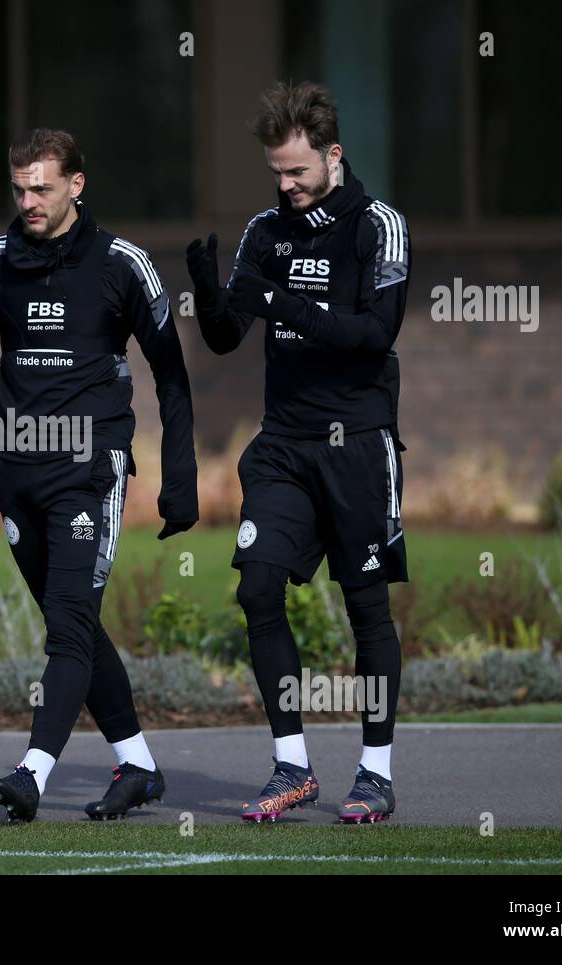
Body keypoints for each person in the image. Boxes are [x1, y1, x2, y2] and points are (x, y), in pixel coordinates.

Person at [0, 128, 198, 821]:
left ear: (76, 185)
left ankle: (32, 772)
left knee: (66, 627)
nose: (29, 200)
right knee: (77, 626)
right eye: (20, 188)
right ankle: (141, 766)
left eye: (43, 187)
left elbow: (172, 377)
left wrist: (179, 479)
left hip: (90, 469)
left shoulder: (123, 265)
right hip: (17, 470)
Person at [186, 81, 410, 824]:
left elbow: (372, 334)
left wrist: (276, 300)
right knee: (256, 588)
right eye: (276, 173)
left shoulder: (377, 227)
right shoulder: (265, 231)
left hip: (357, 444)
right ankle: (292, 765)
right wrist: (207, 289)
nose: (285, 186)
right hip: (282, 443)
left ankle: (374, 772)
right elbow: (226, 336)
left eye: (297, 172)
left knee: (365, 604)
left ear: (332, 155)